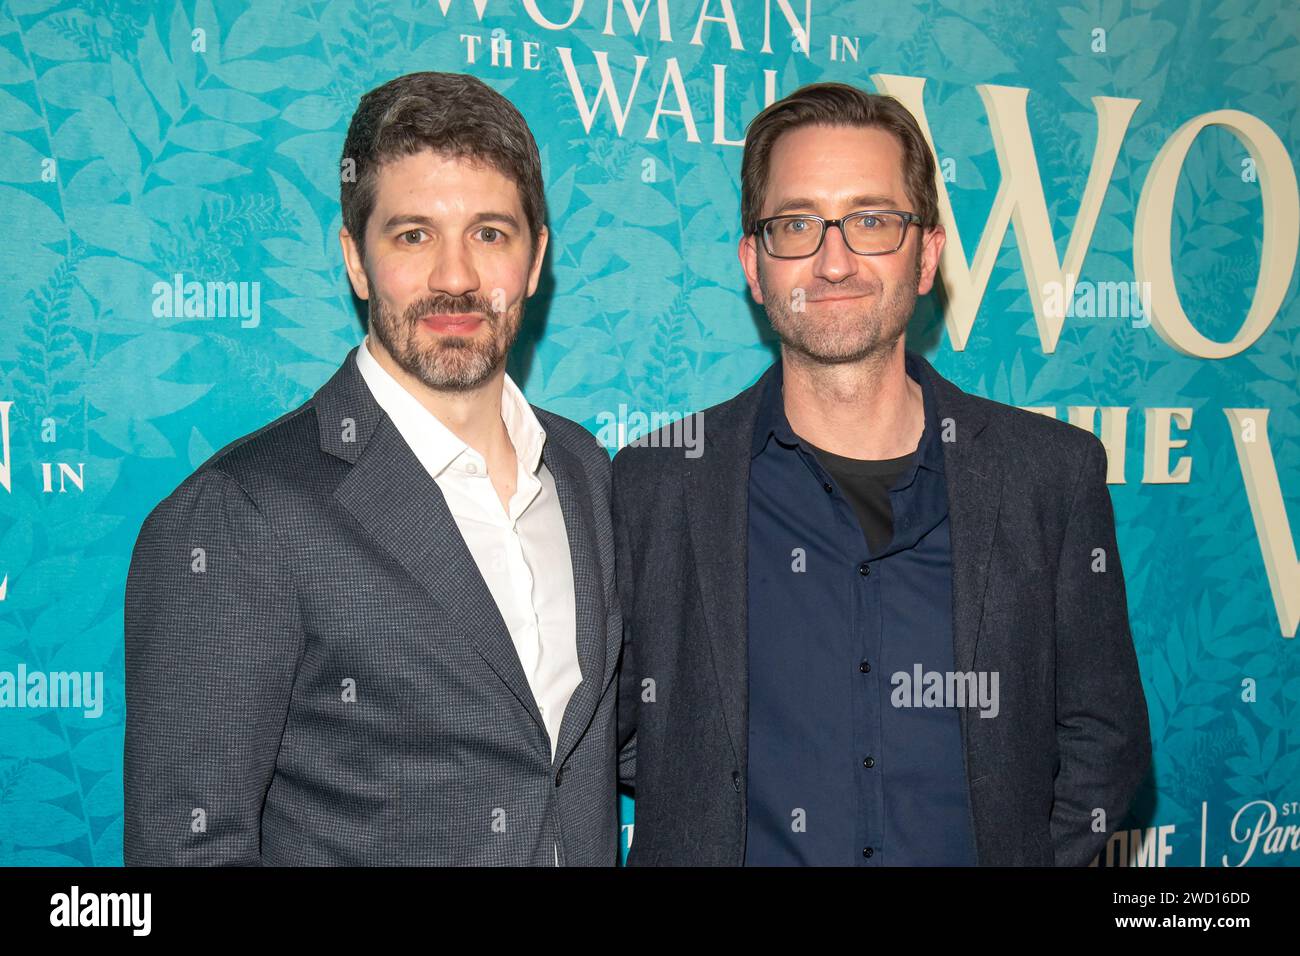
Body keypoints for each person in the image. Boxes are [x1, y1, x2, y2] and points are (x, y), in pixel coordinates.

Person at [613, 82, 1151, 866]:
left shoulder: (1050, 475)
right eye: (796, 224)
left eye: (871, 221)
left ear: (927, 254)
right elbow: (619, 735)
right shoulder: (656, 485)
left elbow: (1105, 737)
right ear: (753, 265)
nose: (834, 261)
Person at [124, 72, 622, 865]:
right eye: (413, 235)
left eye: (490, 233)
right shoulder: (238, 514)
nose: (456, 277)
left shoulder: (583, 471)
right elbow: (189, 848)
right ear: (356, 261)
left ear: (535, 262)